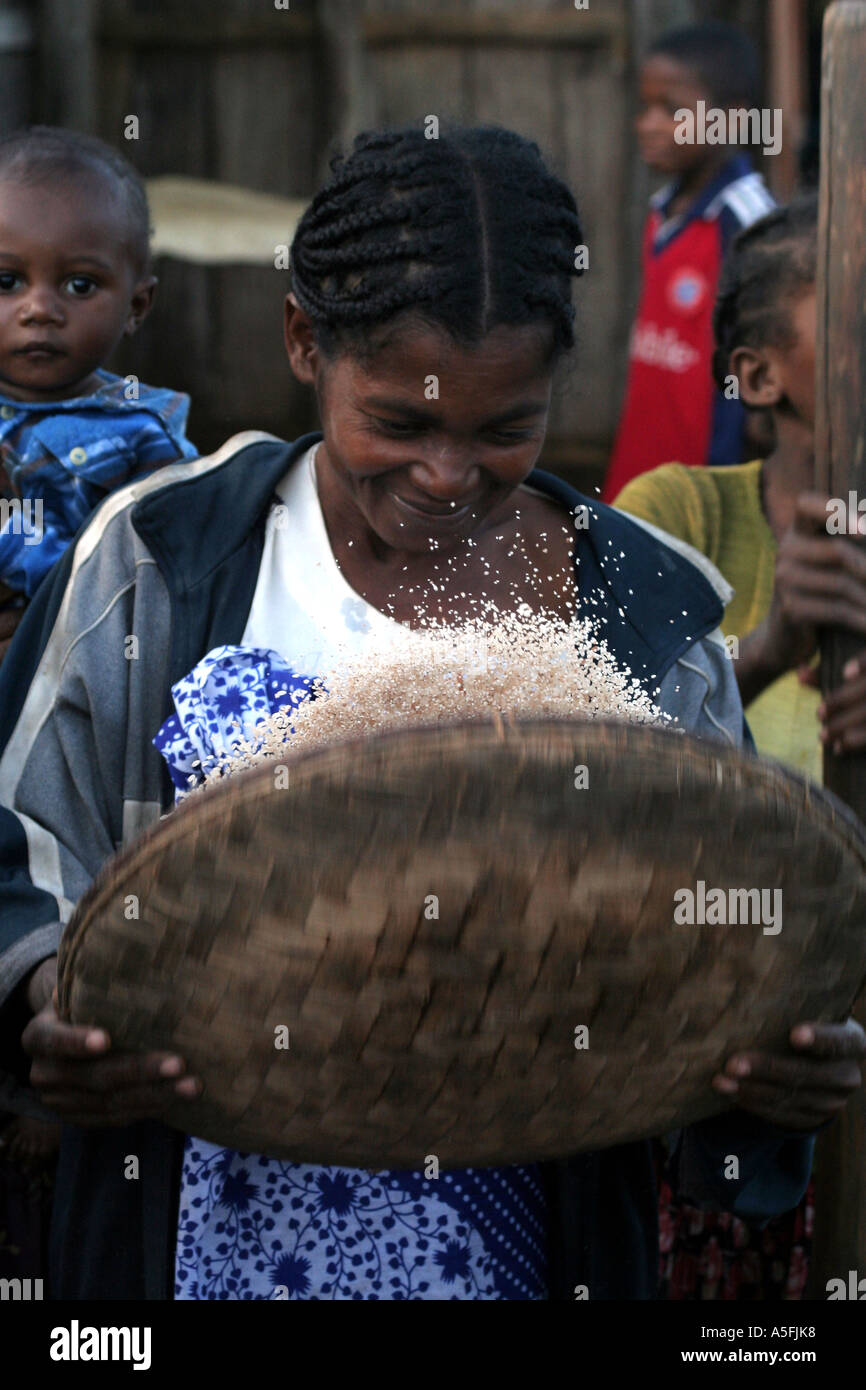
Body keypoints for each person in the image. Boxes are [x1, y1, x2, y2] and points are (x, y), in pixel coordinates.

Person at [0, 127, 861, 1302]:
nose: (448, 473)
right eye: (400, 422)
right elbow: (20, 839)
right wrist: (47, 997)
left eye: (503, 428)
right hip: (192, 1235)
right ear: (303, 341)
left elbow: (716, 926)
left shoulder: (641, 611)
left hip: (534, 1239)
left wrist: (768, 1070)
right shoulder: (161, 557)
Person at [614, 195, 866, 1298]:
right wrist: (765, 650)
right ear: (757, 377)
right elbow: (604, 762)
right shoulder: (676, 518)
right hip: (715, 1071)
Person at [0, 126, 197, 658]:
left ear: (136, 306)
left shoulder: (141, 439)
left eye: (80, 285)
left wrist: (14, 534)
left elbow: (146, 594)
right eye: (7, 282)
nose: (39, 309)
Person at [603, 22, 776, 503]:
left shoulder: (747, 221)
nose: (648, 124)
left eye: (672, 111)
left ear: (731, 119)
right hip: (644, 462)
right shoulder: (662, 211)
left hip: (706, 482)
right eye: (645, 108)